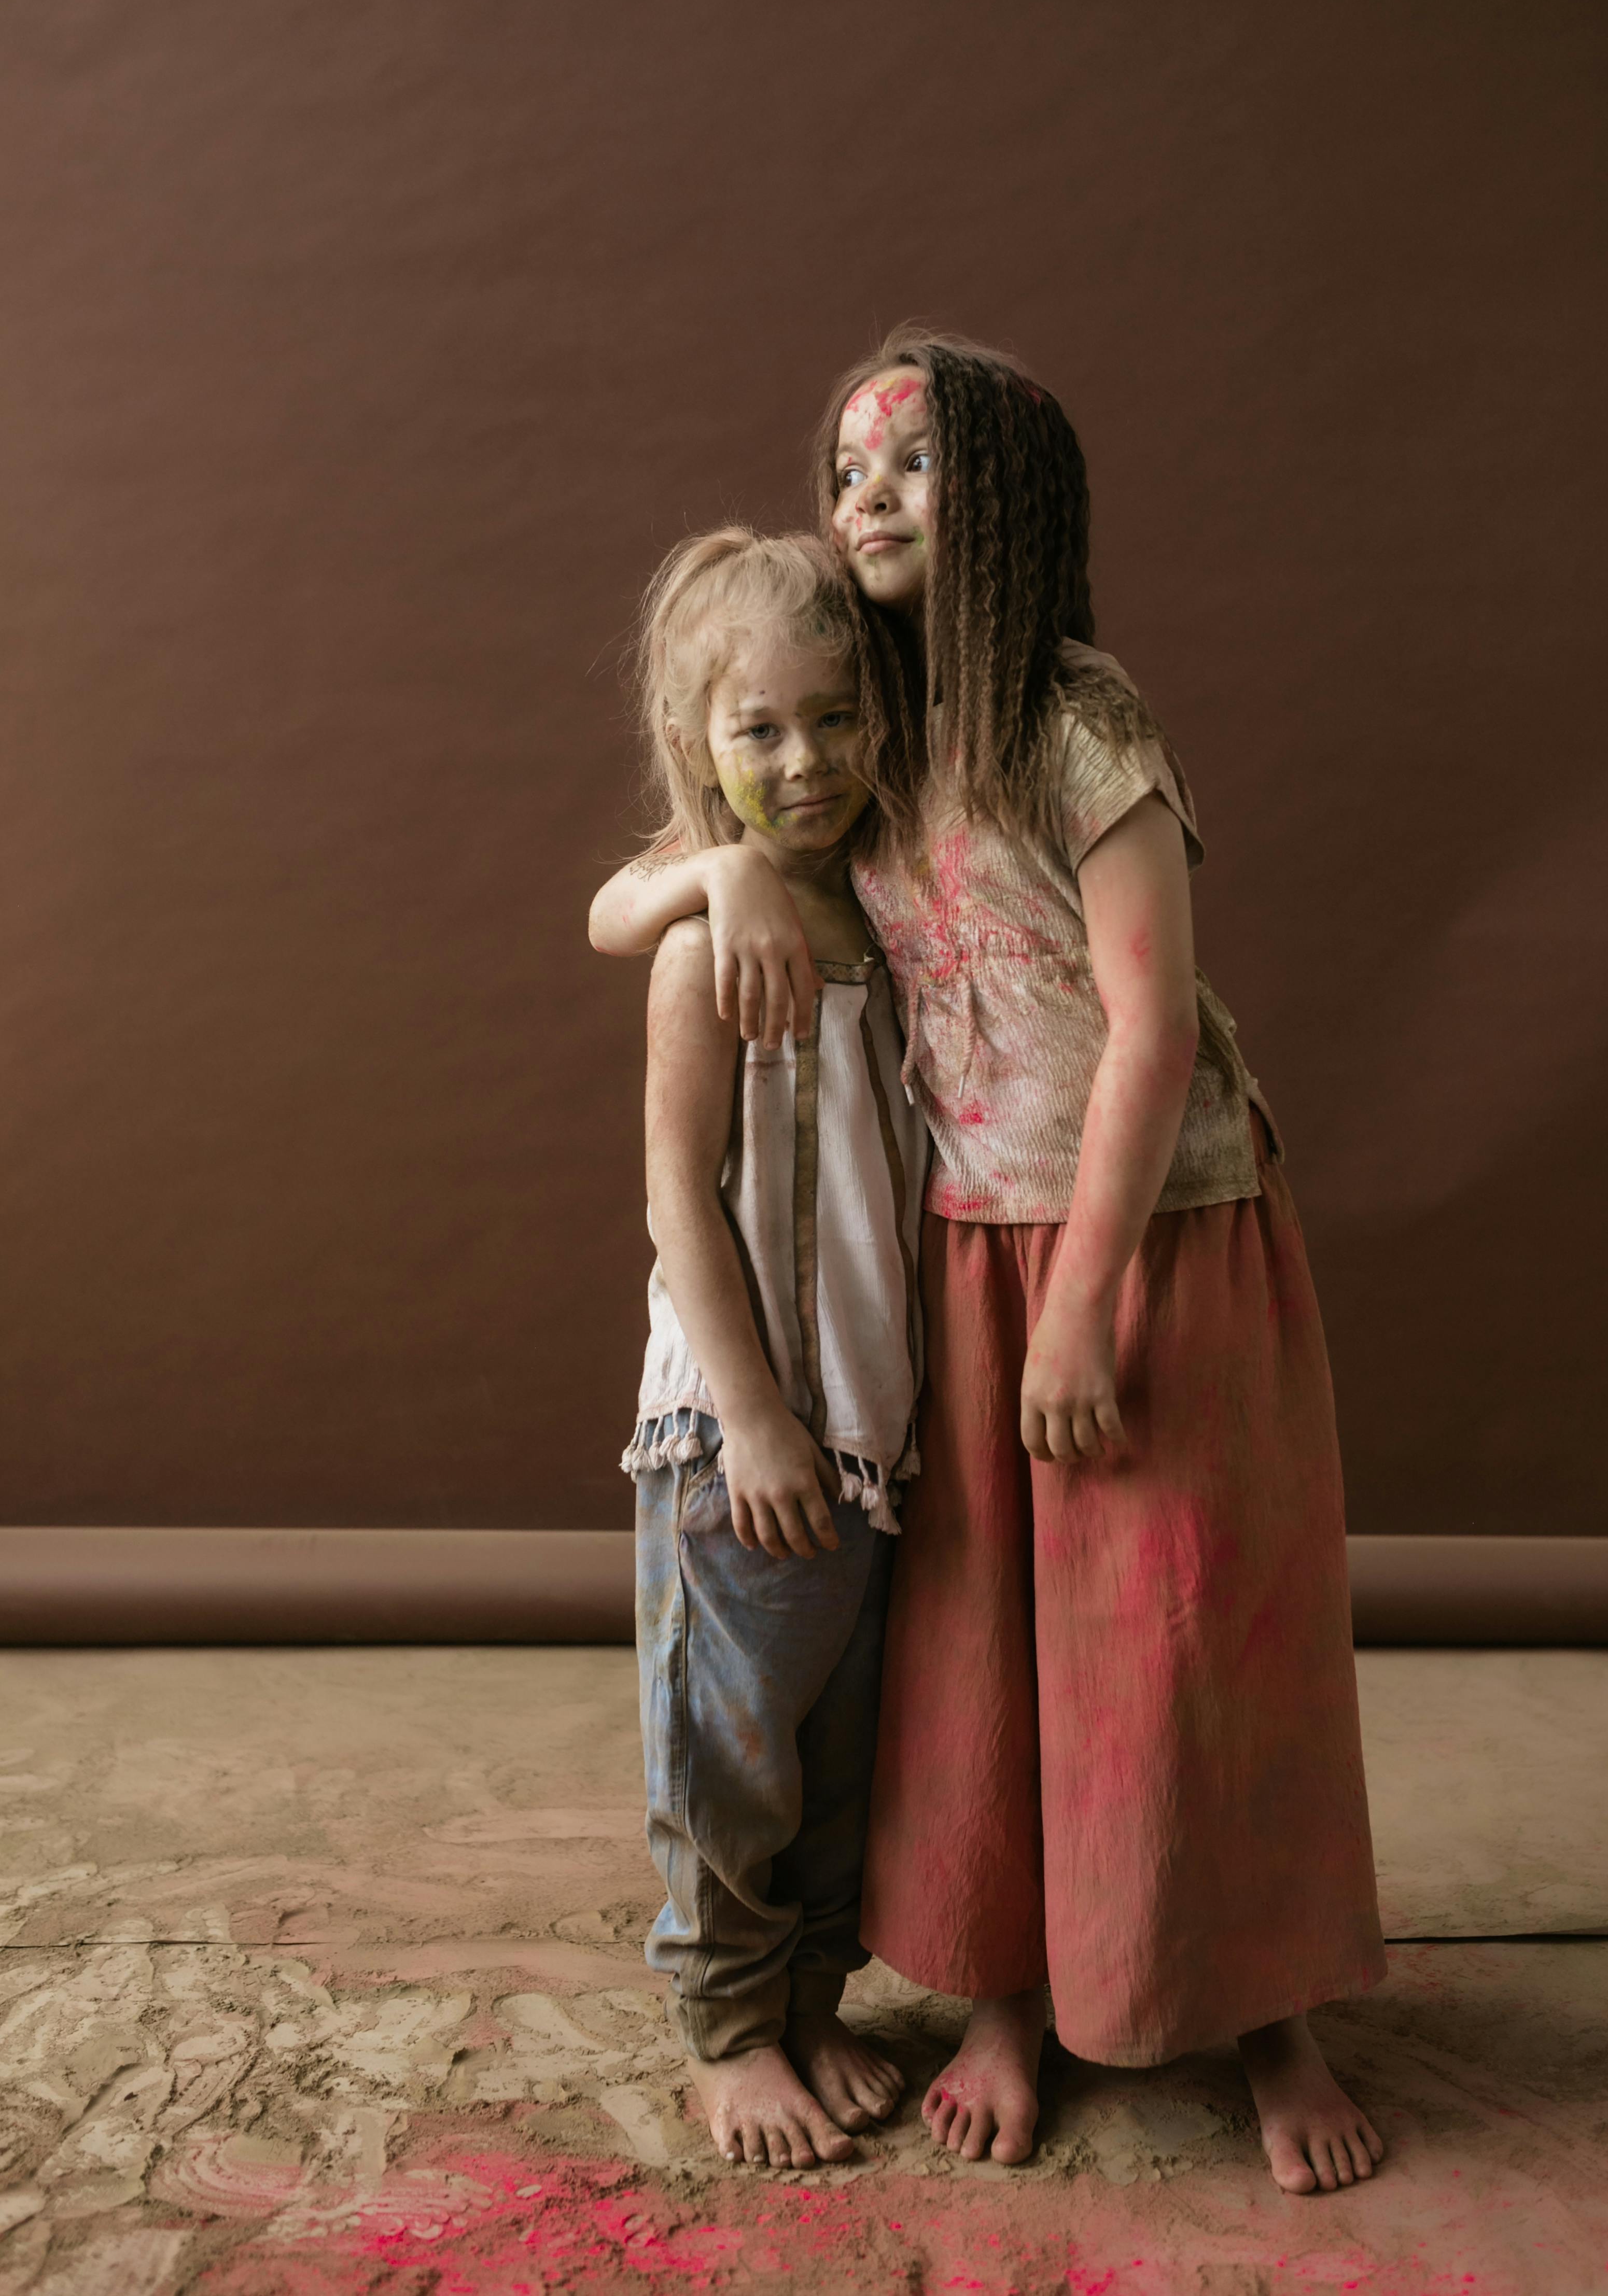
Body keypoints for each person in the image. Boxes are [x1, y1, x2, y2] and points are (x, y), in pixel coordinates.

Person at [588, 337, 1387, 2198]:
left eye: (911, 466)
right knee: (985, 1648)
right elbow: (627, 891)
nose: (862, 495)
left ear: (1009, 498)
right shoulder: (849, 740)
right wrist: (720, 884)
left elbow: (1155, 1027)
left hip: (1148, 1238)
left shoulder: (1076, 719)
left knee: (1189, 1633)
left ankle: (1266, 2008)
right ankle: (1014, 1993)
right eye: (847, 467)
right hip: (970, 1248)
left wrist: (1094, 1296)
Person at [612, 526, 924, 2172]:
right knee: (731, 1749)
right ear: (698, 746)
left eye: (835, 719)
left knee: (838, 1747)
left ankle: (812, 1998)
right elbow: (677, 1195)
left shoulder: (893, 912)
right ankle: (729, 2029)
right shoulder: (703, 945)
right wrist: (755, 1419)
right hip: (745, 1434)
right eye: (758, 730)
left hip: (868, 1427)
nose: (804, 764)